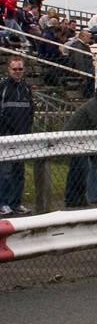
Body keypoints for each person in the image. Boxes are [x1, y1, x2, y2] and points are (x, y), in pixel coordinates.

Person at [64, 88, 97, 208]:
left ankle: (80, 197)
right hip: (74, 136)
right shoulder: (92, 105)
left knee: (84, 169)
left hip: (87, 140)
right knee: (77, 168)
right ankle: (71, 198)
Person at [0, 56, 35, 215]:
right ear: (9, 70)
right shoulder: (3, 87)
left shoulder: (26, 88)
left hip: (22, 136)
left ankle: (16, 202)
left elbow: (30, 111)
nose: (18, 72)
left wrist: (27, 130)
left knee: (19, 172)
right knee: (6, 172)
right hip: (6, 137)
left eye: (20, 69)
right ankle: (3, 203)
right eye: (15, 69)